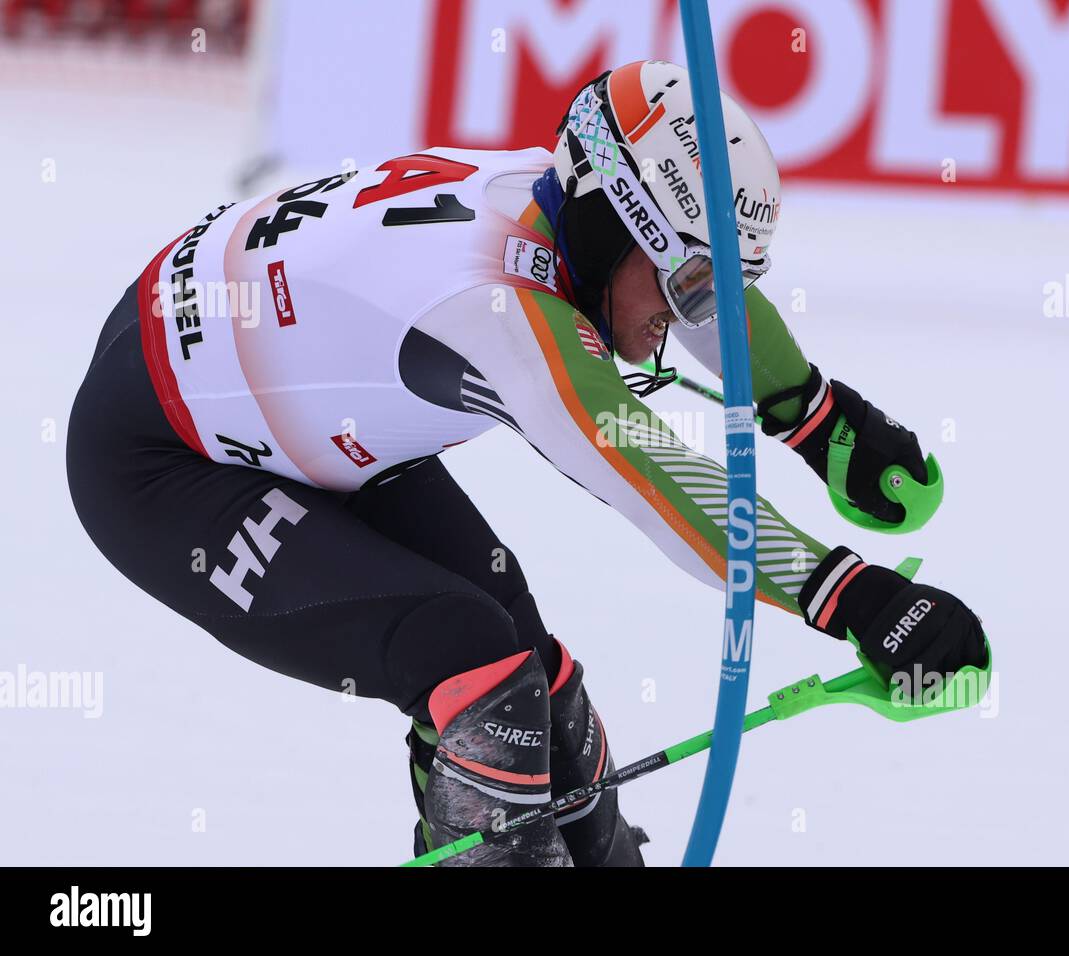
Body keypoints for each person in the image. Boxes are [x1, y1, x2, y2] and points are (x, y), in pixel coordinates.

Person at [66, 60, 988, 867]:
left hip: (261, 386)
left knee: (535, 688)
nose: (694, 315)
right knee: (473, 669)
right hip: (162, 457)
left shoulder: (562, 201)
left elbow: (687, 286)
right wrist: (848, 593)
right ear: (614, 231)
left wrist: (821, 418)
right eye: (690, 284)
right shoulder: (496, 310)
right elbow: (653, 477)